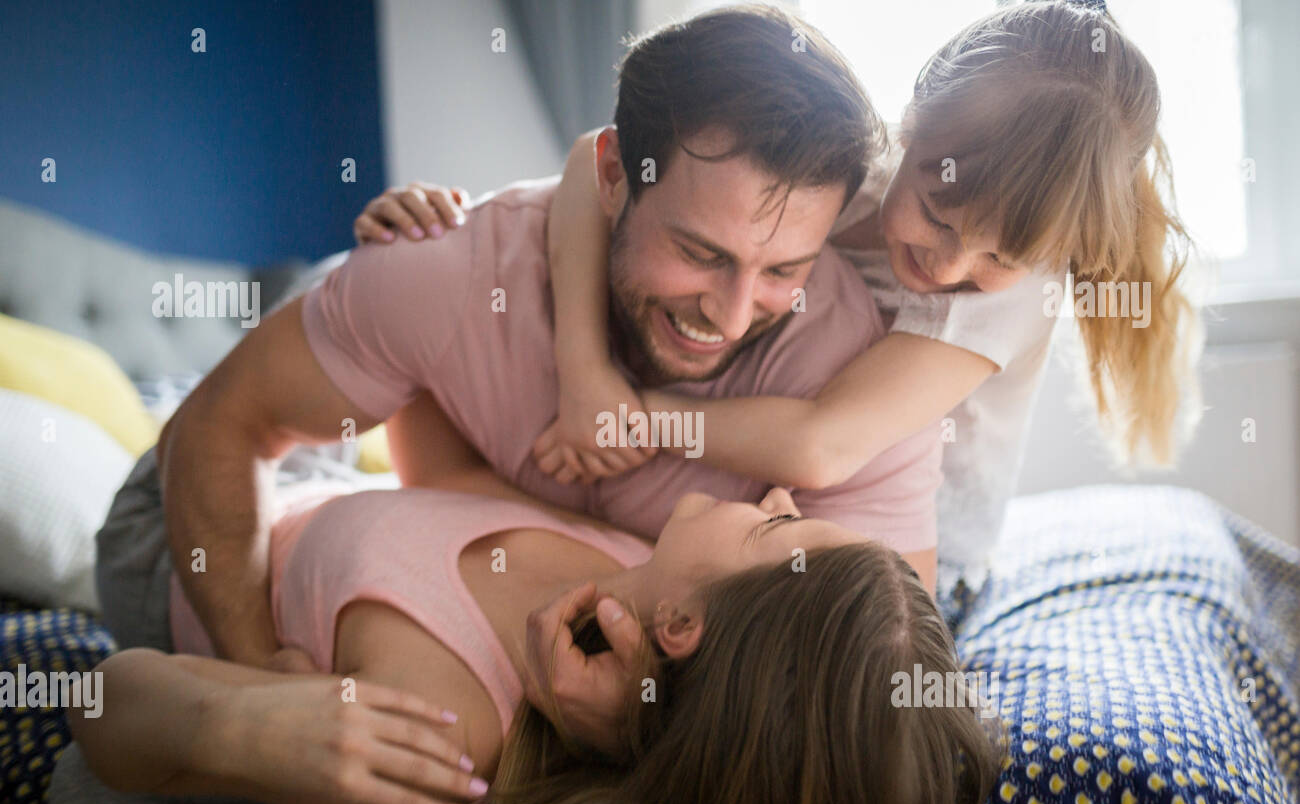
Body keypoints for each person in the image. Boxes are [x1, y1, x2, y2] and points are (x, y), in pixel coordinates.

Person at [93, 4, 947, 688]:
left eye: (781, 269)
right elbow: (221, 423)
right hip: (204, 517)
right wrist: (259, 685)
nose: (729, 316)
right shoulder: (444, 271)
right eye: (699, 253)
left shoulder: (855, 387)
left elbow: (871, 677)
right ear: (612, 177)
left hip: (401, 501)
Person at [358, 0, 1202, 605]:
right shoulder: (847, 162)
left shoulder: (1004, 303)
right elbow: (593, 161)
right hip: (748, 503)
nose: (950, 265)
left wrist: (631, 416)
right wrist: (581, 369)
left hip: (906, 562)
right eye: (939, 217)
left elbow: (823, 447)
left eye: (1000, 257)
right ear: (911, 124)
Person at [70, 449, 1006, 804]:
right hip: (319, 485)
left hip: (170, 541)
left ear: (685, 628)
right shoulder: (631, 583)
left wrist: (236, 723)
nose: (773, 492)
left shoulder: (443, 725)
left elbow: (102, 710)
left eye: (778, 527)